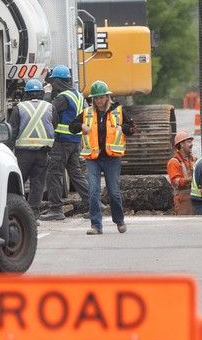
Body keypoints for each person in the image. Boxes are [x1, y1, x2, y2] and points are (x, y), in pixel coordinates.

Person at [75, 80, 135, 234]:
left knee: (113, 191)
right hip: (93, 158)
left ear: (108, 97)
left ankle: (119, 220)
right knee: (93, 191)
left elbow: (132, 128)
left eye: (102, 97)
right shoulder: (87, 113)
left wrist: (124, 128)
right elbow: (71, 126)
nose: (99, 100)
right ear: (93, 99)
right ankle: (96, 225)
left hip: (112, 158)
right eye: (96, 98)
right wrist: (81, 126)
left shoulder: (119, 111)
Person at [42, 65, 89, 221]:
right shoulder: (78, 95)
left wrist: (47, 94)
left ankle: (56, 209)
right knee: (76, 174)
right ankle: (94, 204)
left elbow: (47, 110)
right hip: (75, 141)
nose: (53, 85)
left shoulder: (62, 98)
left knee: (54, 174)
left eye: (54, 82)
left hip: (62, 141)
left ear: (59, 81)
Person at [8, 78, 54, 214]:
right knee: (38, 183)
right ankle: (33, 214)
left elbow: (13, 131)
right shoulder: (49, 107)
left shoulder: (19, 108)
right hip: (43, 152)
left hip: (23, 153)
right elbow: (54, 125)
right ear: (41, 93)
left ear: (26, 93)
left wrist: (8, 149)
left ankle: (17, 212)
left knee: (18, 182)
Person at [166, 130, 195, 215]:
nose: (192, 144)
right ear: (181, 144)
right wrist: (191, 179)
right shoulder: (174, 162)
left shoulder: (192, 159)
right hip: (182, 200)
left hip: (193, 198)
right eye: (189, 142)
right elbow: (176, 183)